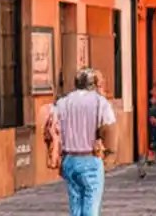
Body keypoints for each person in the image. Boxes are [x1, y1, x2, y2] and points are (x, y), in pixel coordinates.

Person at [48, 68, 117, 216]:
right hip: (89, 158)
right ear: (93, 84)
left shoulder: (62, 103)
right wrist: (110, 153)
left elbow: (52, 127)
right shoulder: (99, 102)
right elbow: (108, 128)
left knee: (75, 201)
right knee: (91, 201)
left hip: (69, 159)